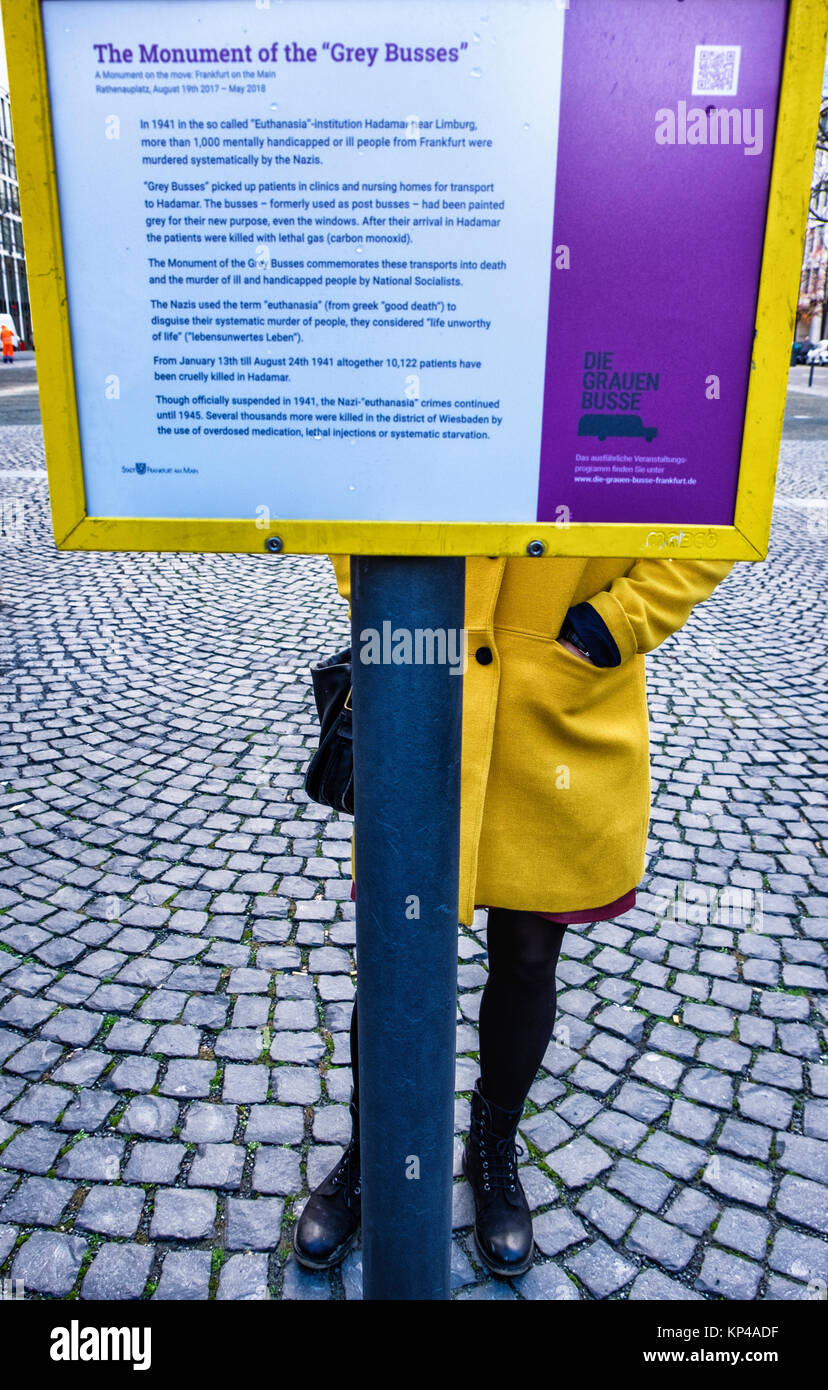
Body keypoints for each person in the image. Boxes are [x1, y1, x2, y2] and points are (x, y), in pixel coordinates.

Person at [293, 550, 734, 1276]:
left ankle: (491, 1146)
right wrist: (383, 589)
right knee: (398, 946)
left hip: (562, 697)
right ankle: (375, 1149)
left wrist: (614, 621)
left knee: (530, 958)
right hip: (422, 676)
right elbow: (356, 468)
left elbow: (708, 513)